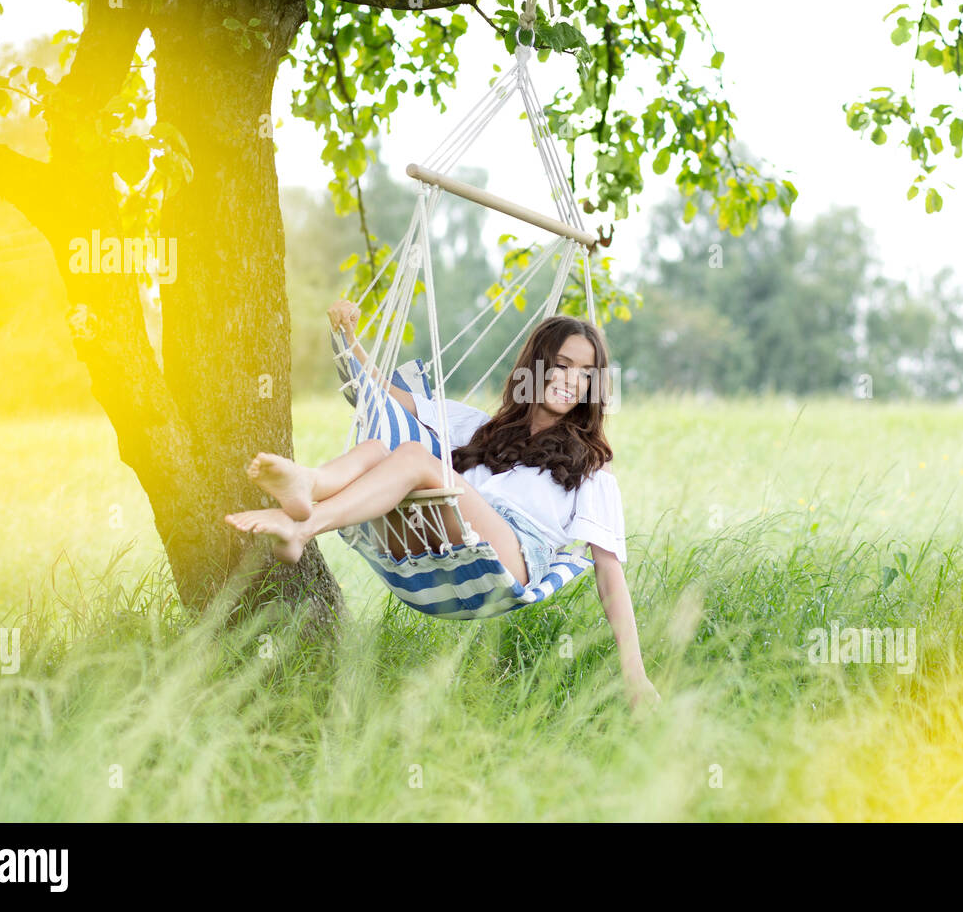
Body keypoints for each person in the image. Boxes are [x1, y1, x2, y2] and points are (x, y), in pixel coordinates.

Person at [224, 300, 660, 712]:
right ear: (537, 367)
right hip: (438, 535)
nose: (570, 380)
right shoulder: (476, 426)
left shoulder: (593, 471)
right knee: (385, 444)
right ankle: (310, 488)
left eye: (585, 373)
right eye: (562, 365)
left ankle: (304, 521)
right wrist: (349, 334)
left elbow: (609, 573)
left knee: (413, 455)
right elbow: (385, 397)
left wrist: (635, 674)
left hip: (514, 557)